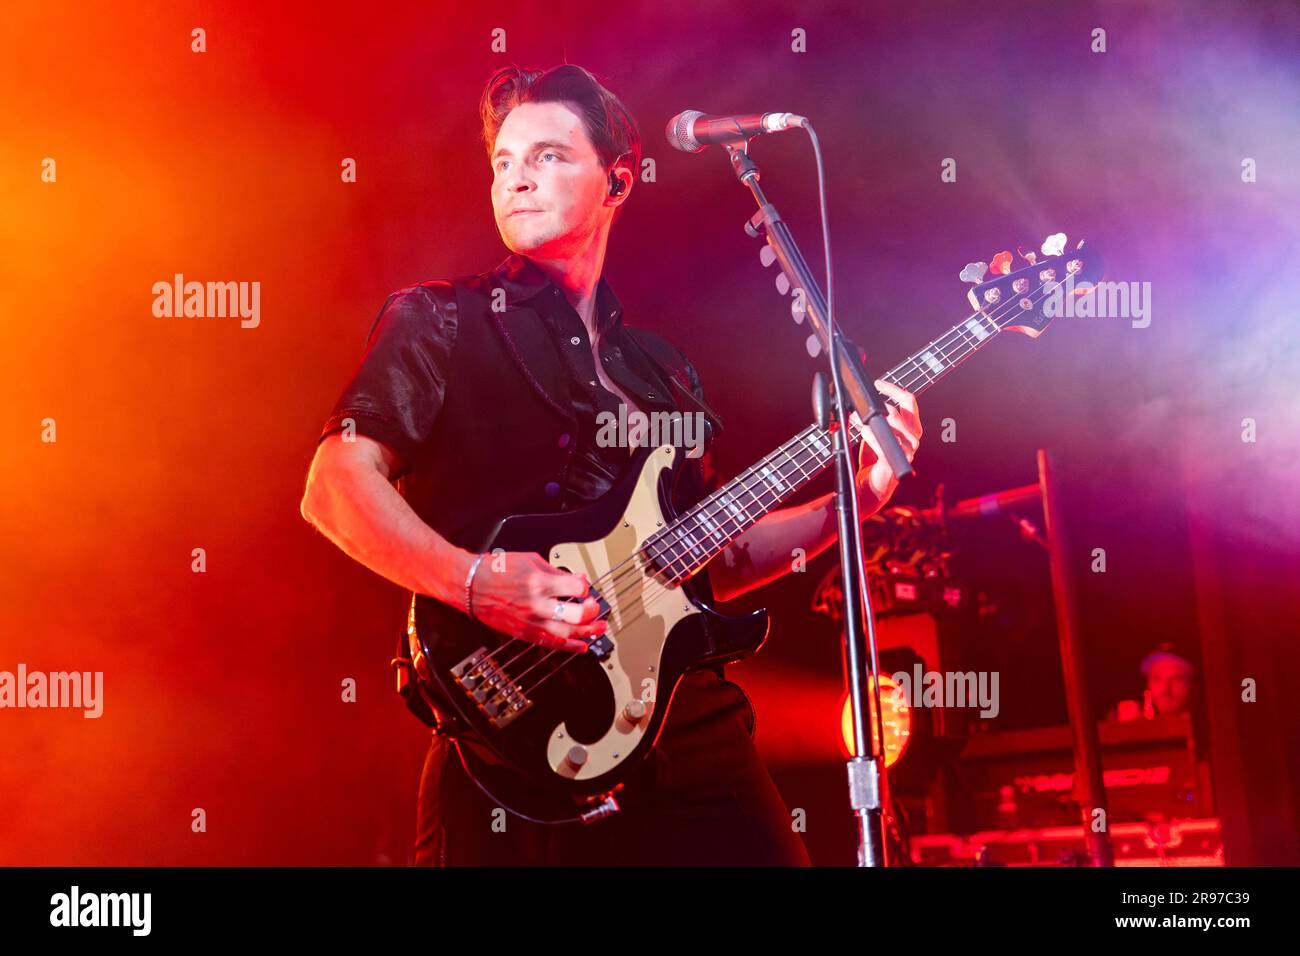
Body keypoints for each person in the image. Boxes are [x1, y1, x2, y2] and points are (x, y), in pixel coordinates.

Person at [299, 64, 922, 865]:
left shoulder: (664, 372)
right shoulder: (439, 321)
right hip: (511, 727)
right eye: (503, 162)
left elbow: (710, 563)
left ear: (618, 179)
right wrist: (474, 582)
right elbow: (334, 486)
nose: (517, 178)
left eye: (549, 156)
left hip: (689, 724)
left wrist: (859, 500)